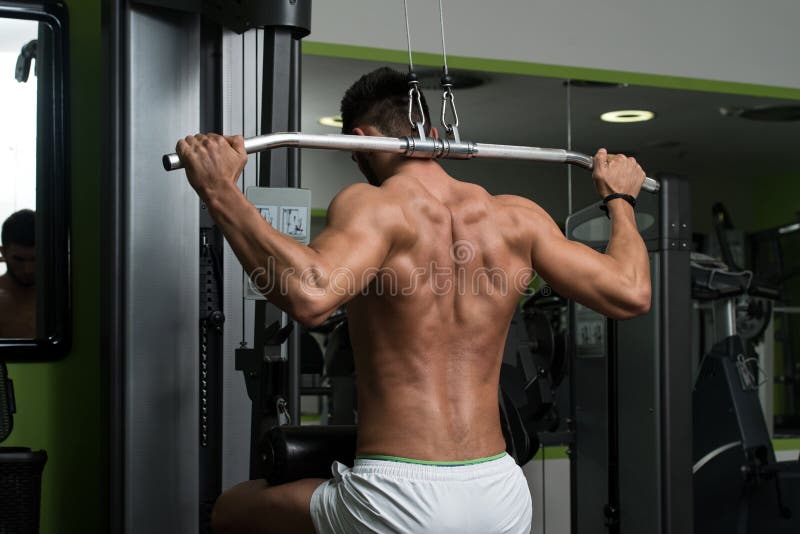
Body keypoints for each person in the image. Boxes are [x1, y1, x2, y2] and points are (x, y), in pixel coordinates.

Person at [176, 67, 651, 534]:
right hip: (500, 492)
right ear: (435, 135)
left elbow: (310, 295)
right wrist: (621, 202)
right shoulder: (519, 218)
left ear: (361, 141)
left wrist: (220, 192)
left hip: (398, 496)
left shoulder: (376, 207)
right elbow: (631, 292)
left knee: (231, 511)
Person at [0, 209, 36, 338]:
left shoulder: (62, 295)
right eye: (18, 259)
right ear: (3, 252)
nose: (28, 270)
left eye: (36, 259)